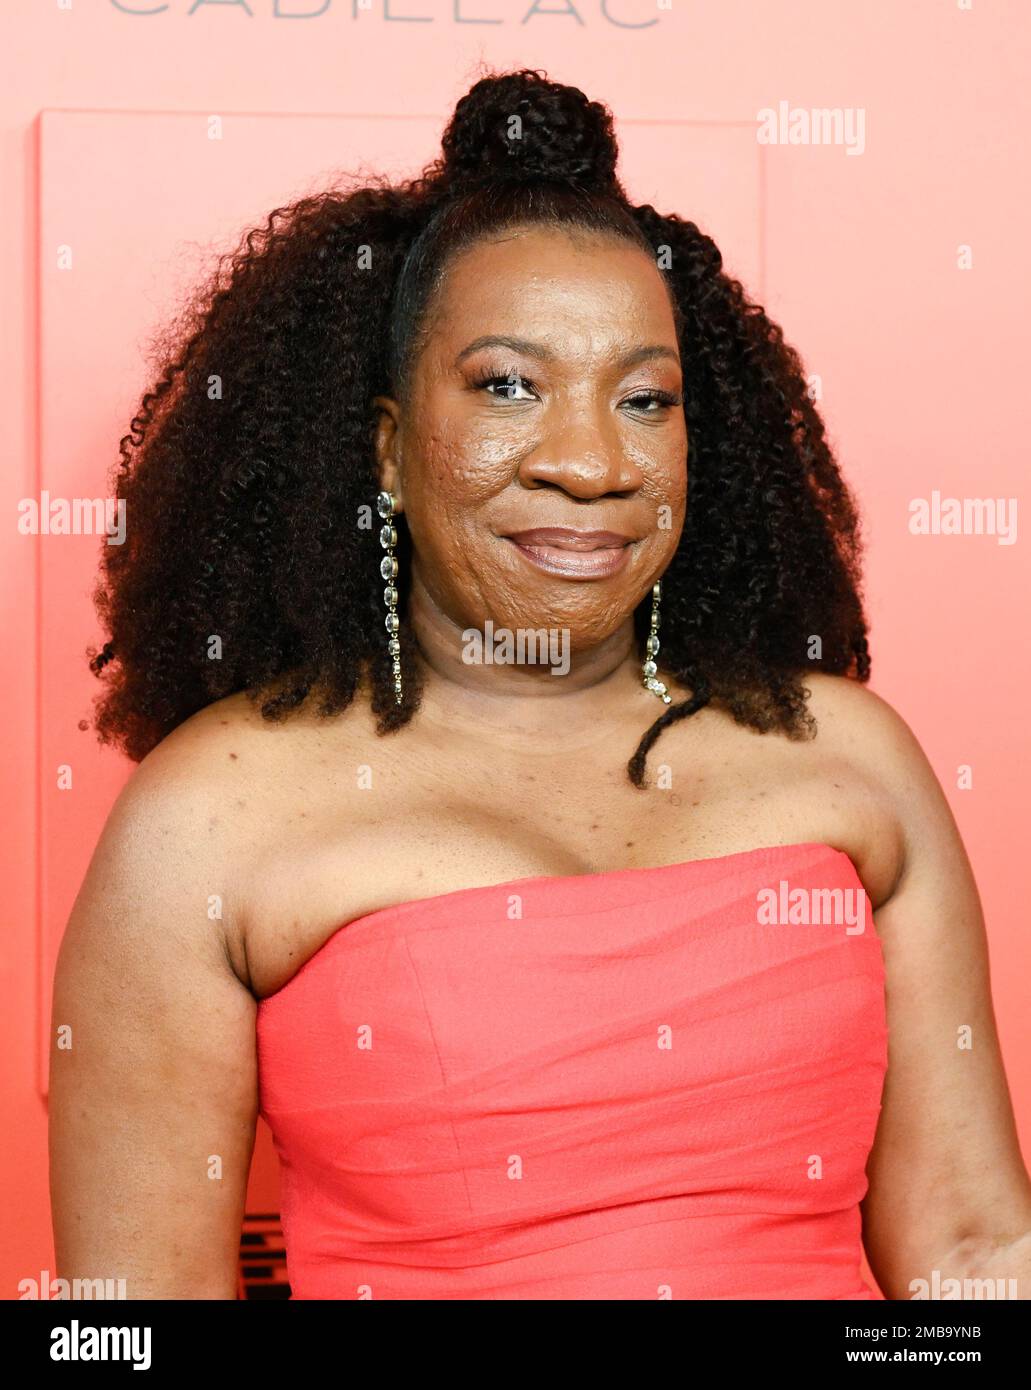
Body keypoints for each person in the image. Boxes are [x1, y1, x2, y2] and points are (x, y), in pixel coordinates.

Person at [49, 67, 1031, 1300]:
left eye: (644, 399)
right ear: (388, 450)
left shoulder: (849, 757)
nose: (588, 461)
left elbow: (973, 1258)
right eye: (508, 385)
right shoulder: (209, 819)